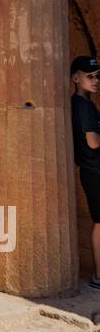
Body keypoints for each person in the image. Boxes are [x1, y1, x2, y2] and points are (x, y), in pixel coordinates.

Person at [70, 55, 100, 290]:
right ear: (75, 78)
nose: (95, 80)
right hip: (94, 171)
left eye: (97, 76)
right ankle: (98, 277)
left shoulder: (82, 104)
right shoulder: (84, 106)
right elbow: (92, 141)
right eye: (89, 76)